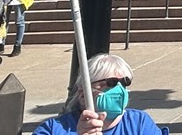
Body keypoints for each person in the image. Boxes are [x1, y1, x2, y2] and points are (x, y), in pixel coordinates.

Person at [33, 54, 166, 135]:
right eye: (110, 83)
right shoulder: (53, 129)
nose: (119, 90)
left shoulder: (139, 123)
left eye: (124, 82)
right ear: (83, 94)